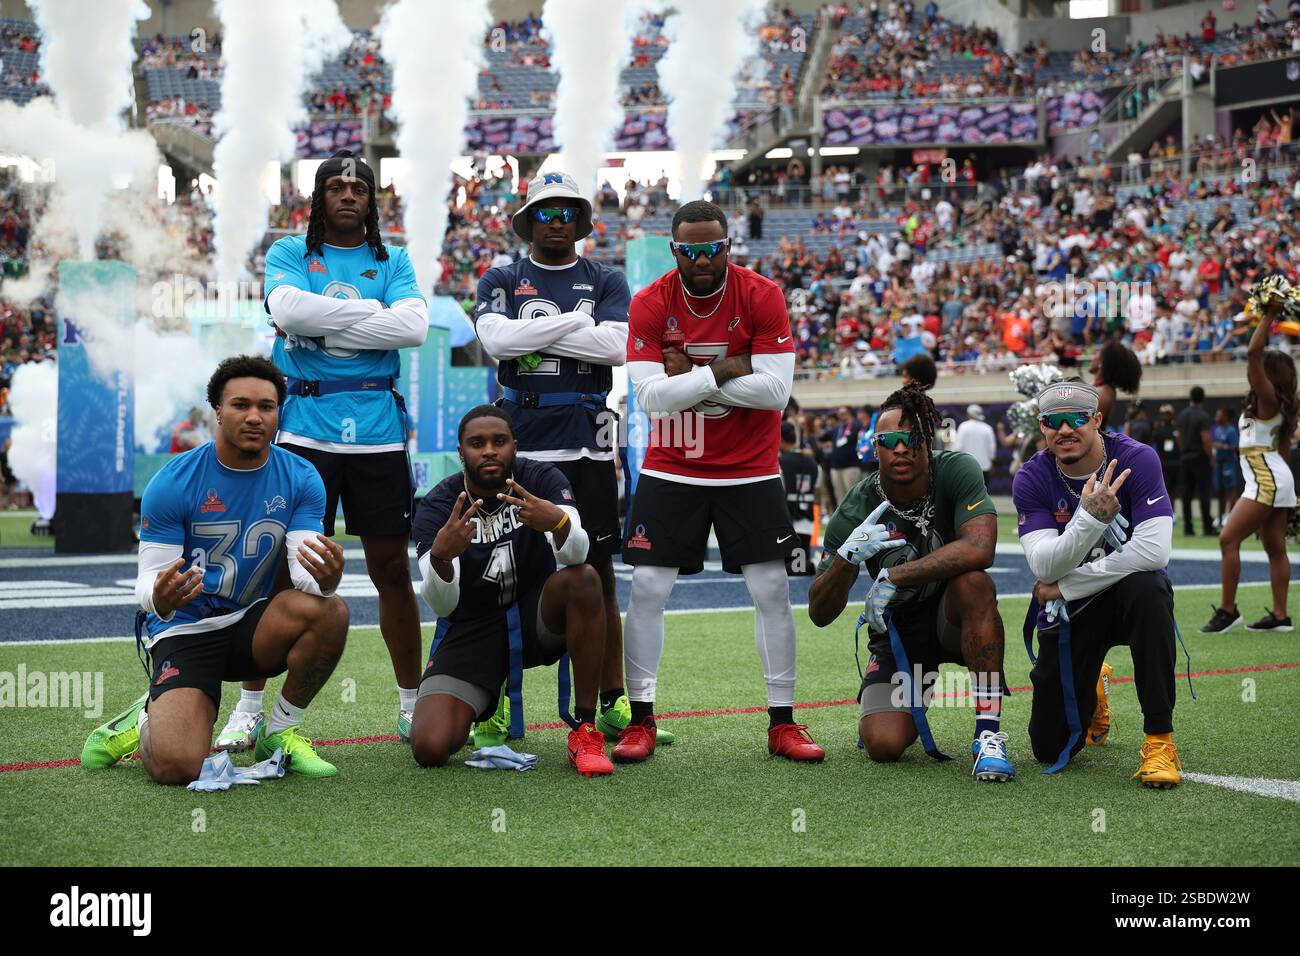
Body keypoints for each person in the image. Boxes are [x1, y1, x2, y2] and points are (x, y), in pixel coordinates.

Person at [228, 150, 428, 750]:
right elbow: (285, 308)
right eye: (336, 187)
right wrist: (373, 315)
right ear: (319, 197)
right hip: (305, 431)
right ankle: (251, 706)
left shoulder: (393, 259)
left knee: (393, 569)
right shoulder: (290, 252)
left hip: (377, 433)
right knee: (282, 569)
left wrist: (321, 324)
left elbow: (413, 328)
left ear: (372, 199)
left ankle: (411, 704)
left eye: (358, 188)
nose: (348, 195)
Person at [617, 199, 824, 764]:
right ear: (675, 251)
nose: (703, 259)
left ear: (728, 246)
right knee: (648, 590)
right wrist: (729, 367)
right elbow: (650, 401)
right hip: (672, 464)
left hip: (750, 469)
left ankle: (781, 721)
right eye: (692, 251)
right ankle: (641, 719)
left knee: (771, 591)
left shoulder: (762, 294)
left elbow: (776, 392)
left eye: (713, 249)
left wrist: (690, 376)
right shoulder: (650, 301)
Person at [81, 356, 349, 781]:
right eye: (241, 405)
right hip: (186, 631)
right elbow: (148, 581)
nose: (255, 417)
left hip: (249, 624)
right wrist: (160, 596)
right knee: (176, 766)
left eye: (267, 406)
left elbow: (303, 574)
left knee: (330, 609)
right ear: (217, 410)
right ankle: (144, 716)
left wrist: (324, 578)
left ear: (280, 412)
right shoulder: (175, 481)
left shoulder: (301, 477)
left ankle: (279, 731)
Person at [472, 169, 633, 743]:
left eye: (568, 212)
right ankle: (490, 701)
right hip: (519, 439)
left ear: (581, 220)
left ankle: (613, 701)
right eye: (546, 212)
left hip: (588, 441)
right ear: (528, 220)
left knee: (600, 572)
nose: (558, 221)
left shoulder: (605, 275)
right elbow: (496, 343)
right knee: (502, 568)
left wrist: (533, 332)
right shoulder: (503, 275)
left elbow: (616, 346)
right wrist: (575, 324)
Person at [808, 383, 1011, 781]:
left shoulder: (956, 469)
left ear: (927, 441)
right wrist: (847, 560)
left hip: (952, 617)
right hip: (900, 629)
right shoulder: (856, 506)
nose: (902, 449)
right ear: (876, 447)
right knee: (884, 746)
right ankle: (899, 697)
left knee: (974, 583)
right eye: (891, 440)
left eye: (912, 438)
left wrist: (892, 574)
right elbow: (819, 612)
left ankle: (988, 733)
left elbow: (980, 547)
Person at [408, 406, 615, 776]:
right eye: (477, 443)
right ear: (461, 452)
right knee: (429, 747)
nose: (489, 450)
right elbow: (442, 603)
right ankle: (487, 700)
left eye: (499, 441)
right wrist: (441, 556)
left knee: (584, 579)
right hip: (473, 630)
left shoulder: (542, 478)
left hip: (535, 617)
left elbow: (579, 553)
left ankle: (585, 729)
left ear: (514, 446)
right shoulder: (440, 505)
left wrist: (559, 523)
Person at [1013, 381, 1183, 787]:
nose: (1065, 429)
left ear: (1097, 420)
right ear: (1042, 425)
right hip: (1073, 614)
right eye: (1053, 421)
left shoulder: (1137, 459)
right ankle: (1093, 684)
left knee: (1150, 589)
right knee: (1049, 748)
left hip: (1125, 600)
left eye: (1077, 419)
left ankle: (1159, 740)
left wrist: (1068, 585)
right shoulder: (1032, 477)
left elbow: (1154, 553)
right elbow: (1043, 563)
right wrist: (1089, 520)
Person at [1202, 279, 1298, 633]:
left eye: (1258, 370)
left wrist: (1270, 314)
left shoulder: (1268, 398)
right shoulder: (1276, 404)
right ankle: (1280, 616)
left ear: (1268, 376)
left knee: (1228, 538)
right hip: (1276, 476)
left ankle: (1228, 610)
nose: (1251, 372)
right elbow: (1284, 451)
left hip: (1265, 477)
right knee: (1275, 548)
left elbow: (1254, 353)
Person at [780, 420, 819, 576]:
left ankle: (815, 565)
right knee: (800, 564)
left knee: (791, 567)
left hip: (788, 521)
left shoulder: (781, 462)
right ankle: (813, 563)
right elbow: (816, 486)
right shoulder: (812, 462)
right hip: (806, 520)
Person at [1175, 385, 1215, 536]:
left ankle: (1188, 527)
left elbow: (1178, 436)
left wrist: (1183, 450)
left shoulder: (1182, 415)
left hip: (1185, 457)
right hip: (1200, 457)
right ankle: (1207, 527)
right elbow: (1206, 438)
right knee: (1204, 492)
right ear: (1203, 398)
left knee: (1187, 494)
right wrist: (1211, 457)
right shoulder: (1203, 416)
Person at [1091, 340, 1143, 429]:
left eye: (1097, 354)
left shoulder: (1104, 393)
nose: (1092, 357)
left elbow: (1086, 428)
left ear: (1102, 362)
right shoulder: (1102, 390)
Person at [1211, 406, 1241, 528]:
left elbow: (1236, 447)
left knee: (1230, 489)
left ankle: (1231, 515)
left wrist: (1222, 447)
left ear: (1226, 417)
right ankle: (1221, 515)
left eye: (1219, 415)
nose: (1216, 417)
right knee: (1220, 491)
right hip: (1219, 463)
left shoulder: (1231, 431)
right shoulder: (1217, 430)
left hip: (1229, 463)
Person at [952, 403, 996, 485]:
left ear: (969, 414)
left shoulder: (963, 427)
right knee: (983, 493)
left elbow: (958, 447)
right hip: (984, 466)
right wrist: (992, 465)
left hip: (966, 467)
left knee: (967, 493)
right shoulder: (987, 428)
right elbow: (991, 449)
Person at [1152, 403, 1180, 498]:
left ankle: (1173, 510)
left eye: (1167, 414)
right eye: (1163, 414)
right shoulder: (1158, 429)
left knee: (1174, 487)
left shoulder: (1176, 428)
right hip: (1162, 462)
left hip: (1175, 462)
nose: (1165, 416)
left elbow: (1181, 445)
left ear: (1172, 415)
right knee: (1164, 487)